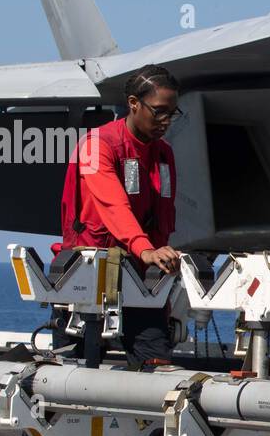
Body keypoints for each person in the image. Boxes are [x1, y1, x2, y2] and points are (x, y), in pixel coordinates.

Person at [55, 65, 183, 369]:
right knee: (70, 386)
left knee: (158, 370)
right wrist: (147, 249)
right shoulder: (97, 146)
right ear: (133, 104)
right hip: (87, 281)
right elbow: (112, 206)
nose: (166, 121)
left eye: (172, 113)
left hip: (142, 282)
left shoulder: (164, 155)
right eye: (159, 111)